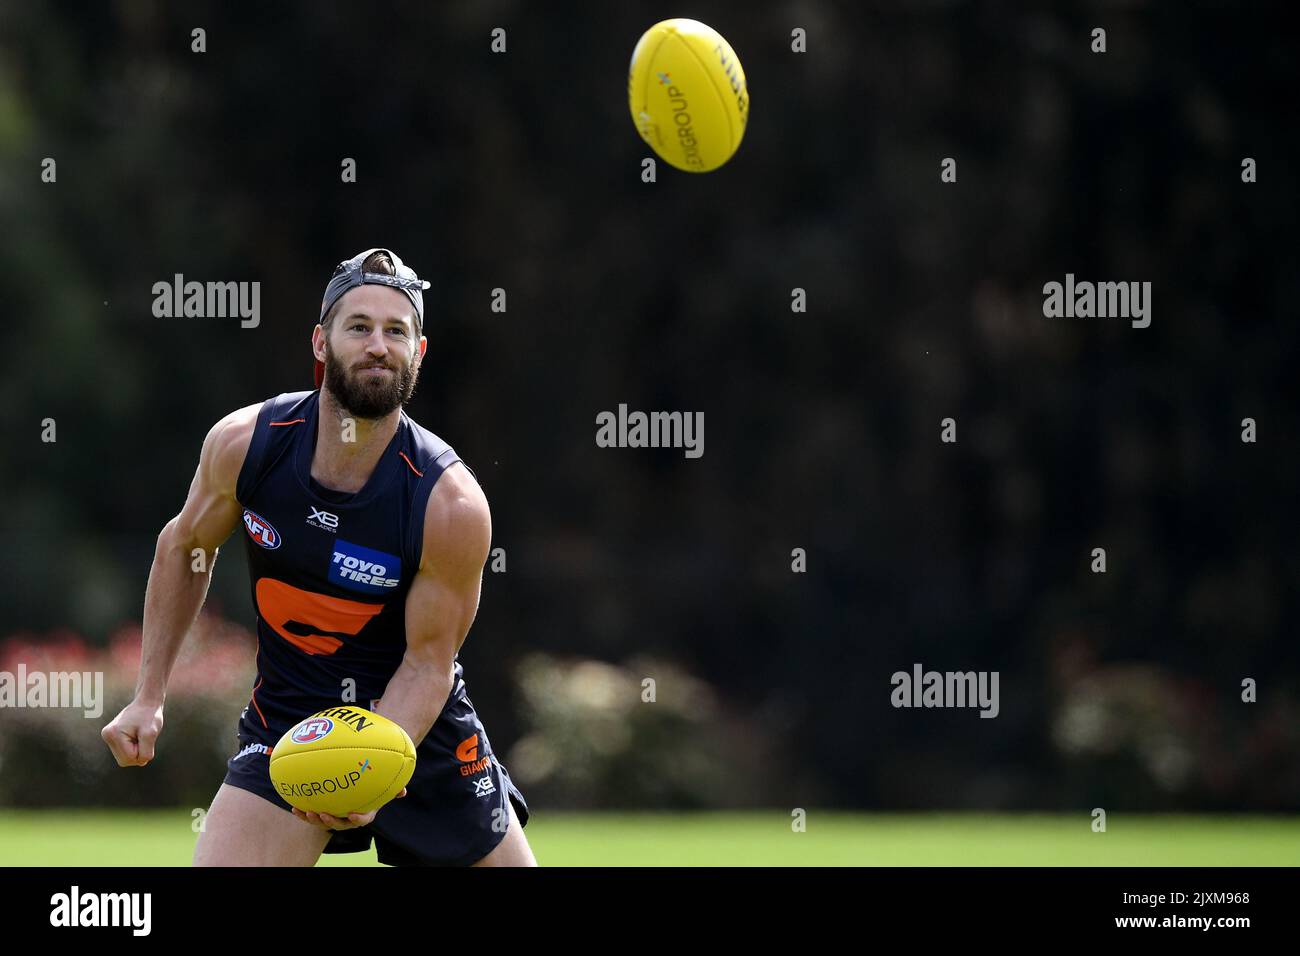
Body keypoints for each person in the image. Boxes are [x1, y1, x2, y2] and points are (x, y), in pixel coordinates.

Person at [101, 248, 536, 866]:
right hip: (290, 723)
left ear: (419, 352)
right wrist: (149, 694)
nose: (378, 345)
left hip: (421, 736)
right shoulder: (245, 445)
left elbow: (427, 665)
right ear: (320, 340)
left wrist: (371, 768)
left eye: (396, 331)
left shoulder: (450, 504)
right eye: (358, 326)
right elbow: (185, 547)